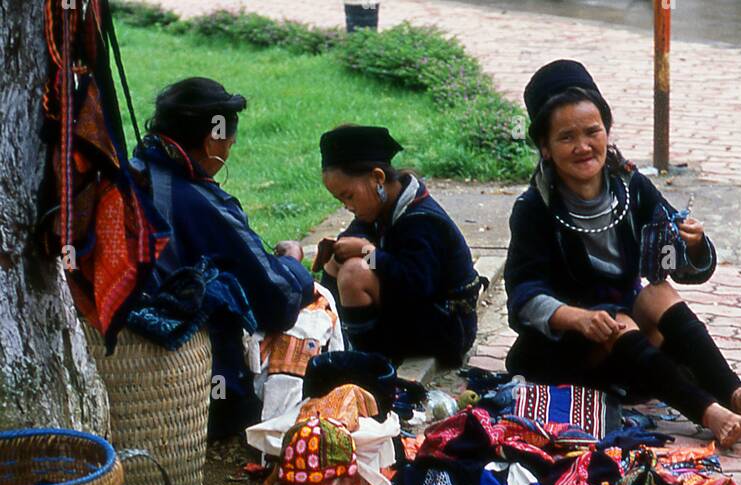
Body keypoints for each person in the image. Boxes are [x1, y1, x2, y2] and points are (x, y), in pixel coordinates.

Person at [505, 61, 741, 447]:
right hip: (564, 354)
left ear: (607, 131)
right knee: (619, 319)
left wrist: (692, 244)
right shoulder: (534, 208)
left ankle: (737, 396)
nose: (584, 146)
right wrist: (578, 318)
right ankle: (710, 413)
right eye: (567, 137)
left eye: (592, 131)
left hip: (634, 355)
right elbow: (522, 297)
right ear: (546, 149)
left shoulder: (630, 186)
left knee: (657, 292)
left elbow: (676, 265)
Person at [134, 78, 315, 437]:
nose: (229, 149)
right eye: (229, 142)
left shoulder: (130, 176)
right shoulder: (202, 203)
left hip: (125, 368)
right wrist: (294, 262)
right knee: (314, 314)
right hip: (199, 396)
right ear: (212, 139)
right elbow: (279, 299)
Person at [318, 124, 482, 367]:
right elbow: (359, 243)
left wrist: (367, 253)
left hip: (446, 326)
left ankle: (367, 362)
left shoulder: (421, 220)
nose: (347, 206)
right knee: (339, 260)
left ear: (378, 179)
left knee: (355, 272)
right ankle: (333, 338)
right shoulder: (379, 210)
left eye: (349, 196)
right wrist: (341, 250)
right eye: (340, 200)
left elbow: (416, 283)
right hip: (413, 313)